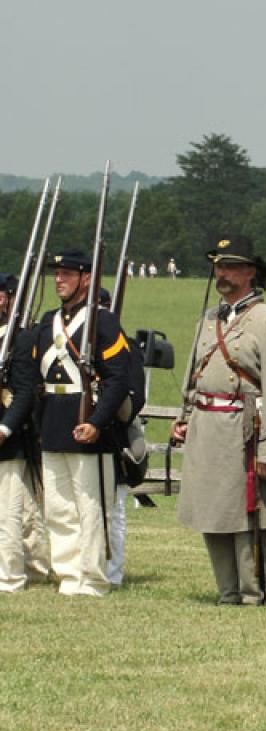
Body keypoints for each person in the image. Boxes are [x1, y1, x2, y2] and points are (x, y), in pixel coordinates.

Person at [172, 236, 266, 606]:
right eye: (219, 267)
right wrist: (185, 416)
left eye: (231, 267)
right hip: (207, 426)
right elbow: (194, 372)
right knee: (210, 508)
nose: (222, 273)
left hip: (244, 429)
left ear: (250, 272)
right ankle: (226, 590)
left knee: (245, 514)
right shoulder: (209, 318)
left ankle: (251, 591)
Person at [33, 250, 133, 597]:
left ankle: (92, 578)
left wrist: (96, 421)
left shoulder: (102, 321)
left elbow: (119, 378)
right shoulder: (49, 320)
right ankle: (68, 574)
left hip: (86, 420)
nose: (59, 279)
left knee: (91, 507)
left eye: (67, 273)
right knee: (59, 508)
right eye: (57, 273)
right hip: (53, 420)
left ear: (86, 279)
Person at [0, 272, 42, 592]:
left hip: (8, 438)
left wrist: (4, 427)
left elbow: (25, 392)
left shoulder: (22, 338)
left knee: (9, 515)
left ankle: (10, 577)